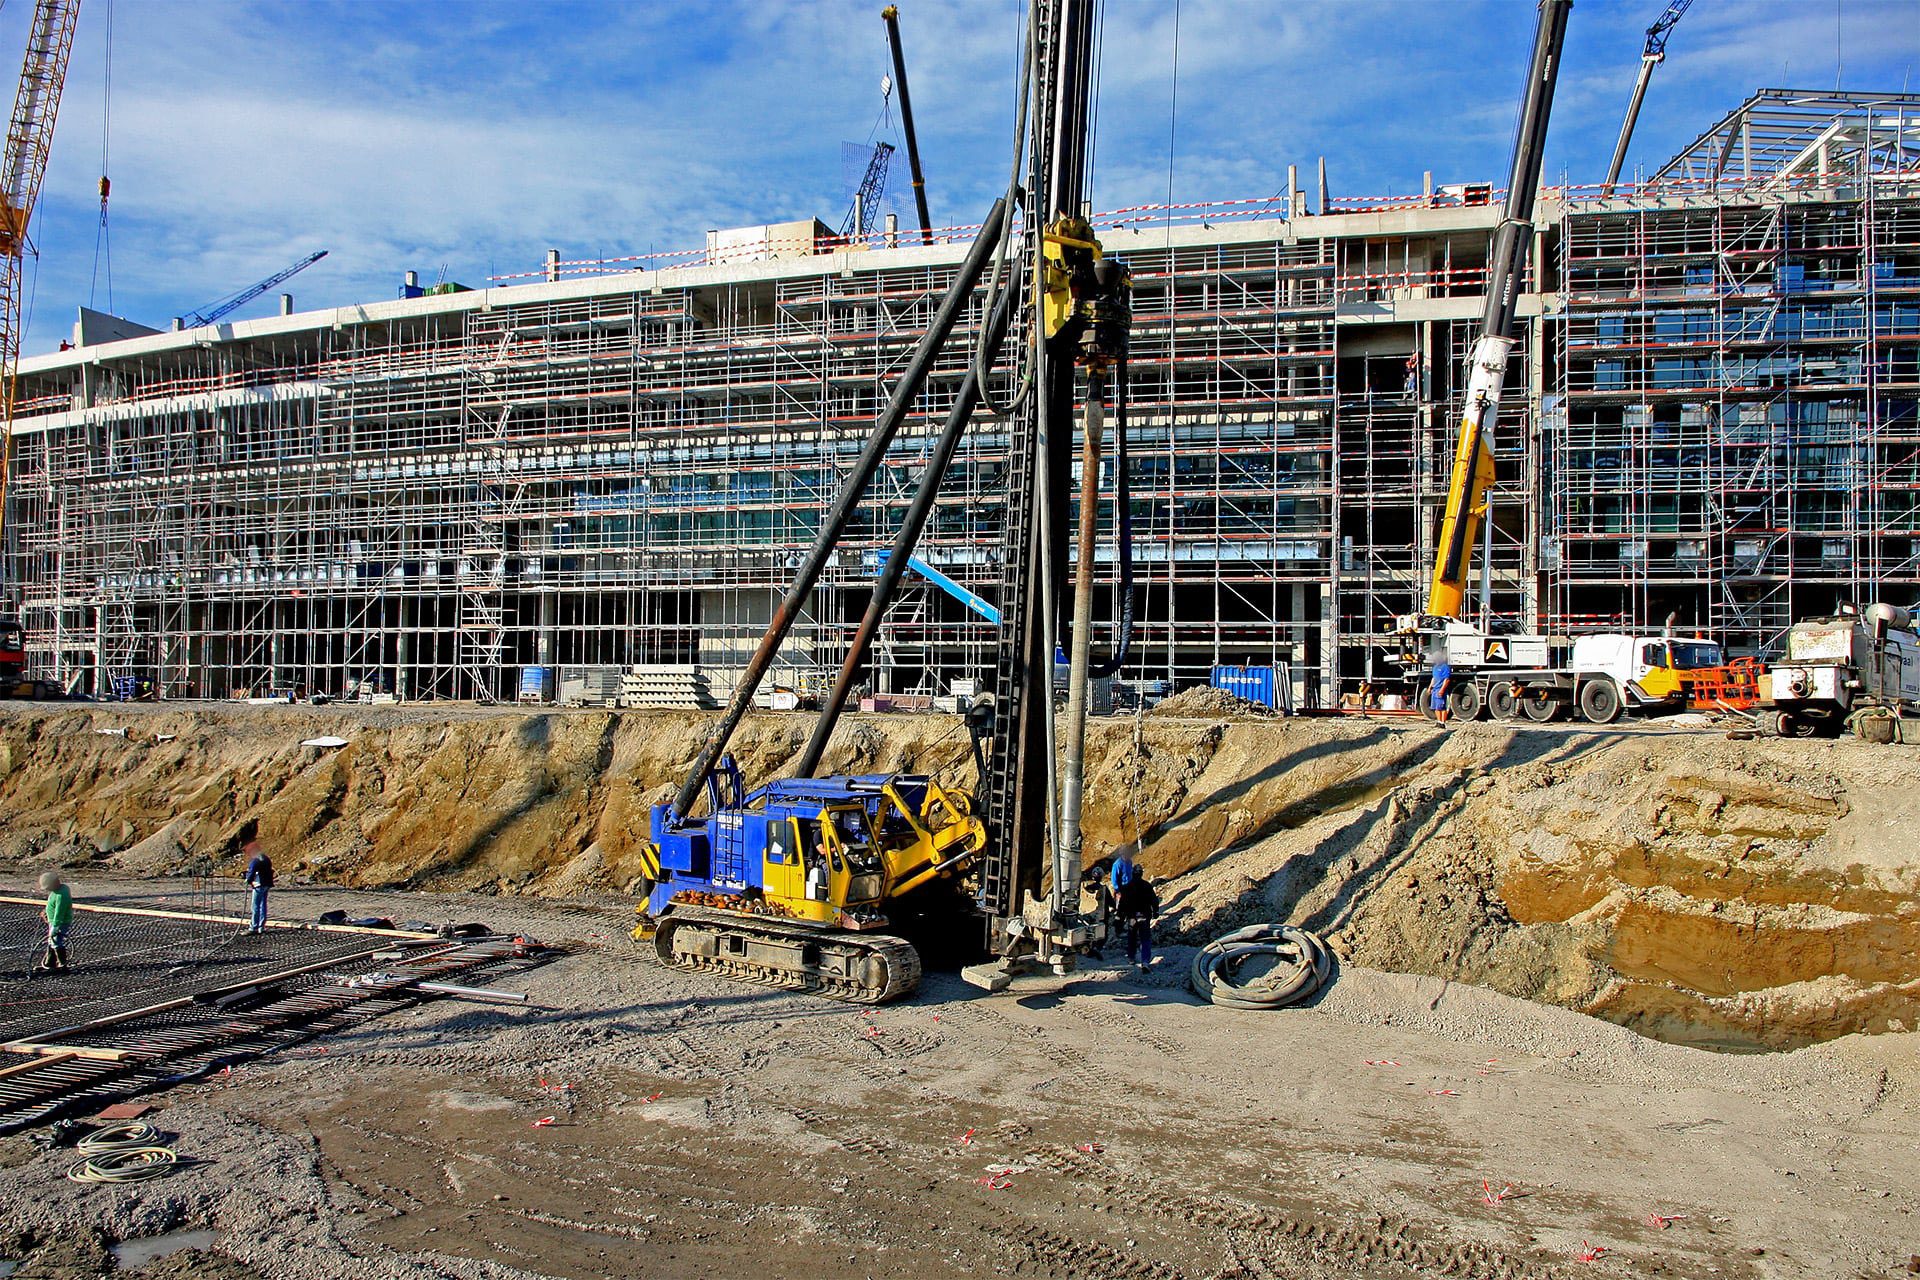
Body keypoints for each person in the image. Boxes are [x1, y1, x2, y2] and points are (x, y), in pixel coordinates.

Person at [1115, 871, 1159, 973]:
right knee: (1145, 939)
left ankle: (1131, 958)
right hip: (1144, 916)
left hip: (1132, 917)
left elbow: (1122, 904)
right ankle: (1145, 962)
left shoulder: (1127, 887)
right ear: (1141, 874)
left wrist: (1119, 917)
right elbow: (1154, 900)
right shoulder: (1147, 886)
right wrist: (1156, 911)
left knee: (1132, 937)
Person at [38, 871, 71, 972]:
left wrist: (55, 926)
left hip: (60, 922)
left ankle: (62, 965)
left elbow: (59, 912)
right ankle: (50, 963)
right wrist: (47, 911)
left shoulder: (61, 895)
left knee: (56, 941)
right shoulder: (58, 891)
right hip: (54, 921)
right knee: (51, 941)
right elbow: (52, 904)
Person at [243, 839, 274, 934]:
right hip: (267, 884)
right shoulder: (266, 858)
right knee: (263, 905)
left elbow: (251, 873)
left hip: (259, 885)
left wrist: (247, 879)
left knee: (255, 906)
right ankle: (261, 927)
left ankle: (253, 928)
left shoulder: (255, 861)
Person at [1429, 660, 1453, 727]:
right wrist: (1430, 687)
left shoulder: (1445, 667)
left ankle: (1443, 723)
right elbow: (1433, 678)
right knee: (1436, 707)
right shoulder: (1435, 667)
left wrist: (1442, 689)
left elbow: (1447, 679)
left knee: (1441, 707)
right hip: (1434, 689)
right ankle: (1439, 721)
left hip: (1440, 689)